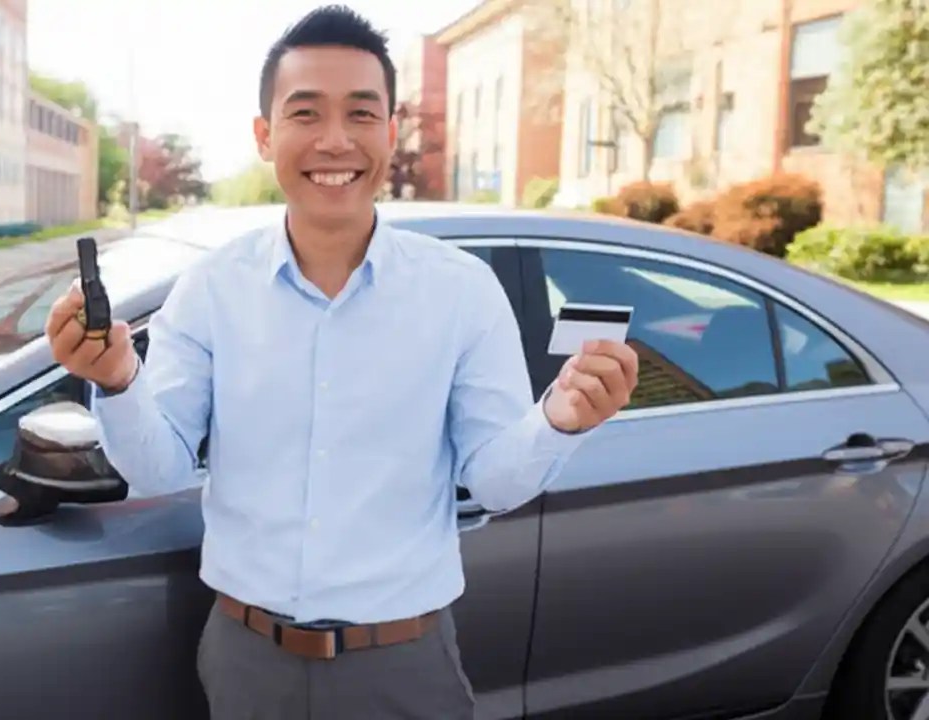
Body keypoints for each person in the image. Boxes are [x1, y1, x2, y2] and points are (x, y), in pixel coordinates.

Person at [45, 5, 638, 718]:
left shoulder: (460, 292)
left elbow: (493, 478)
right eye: (305, 113)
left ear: (391, 132)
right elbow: (161, 467)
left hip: (404, 663)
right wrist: (116, 380)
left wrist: (560, 420)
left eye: (361, 114)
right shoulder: (211, 288)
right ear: (265, 135)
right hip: (246, 658)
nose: (335, 141)